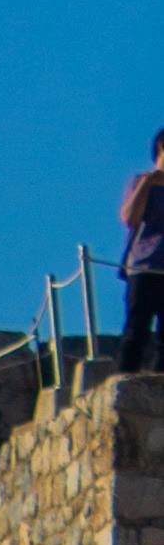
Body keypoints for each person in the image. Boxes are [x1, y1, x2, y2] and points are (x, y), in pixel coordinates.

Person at [123, 131, 164, 370]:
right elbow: (130, 218)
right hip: (144, 266)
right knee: (136, 331)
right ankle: (124, 380)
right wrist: (148, 183)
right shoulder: (141, 181)